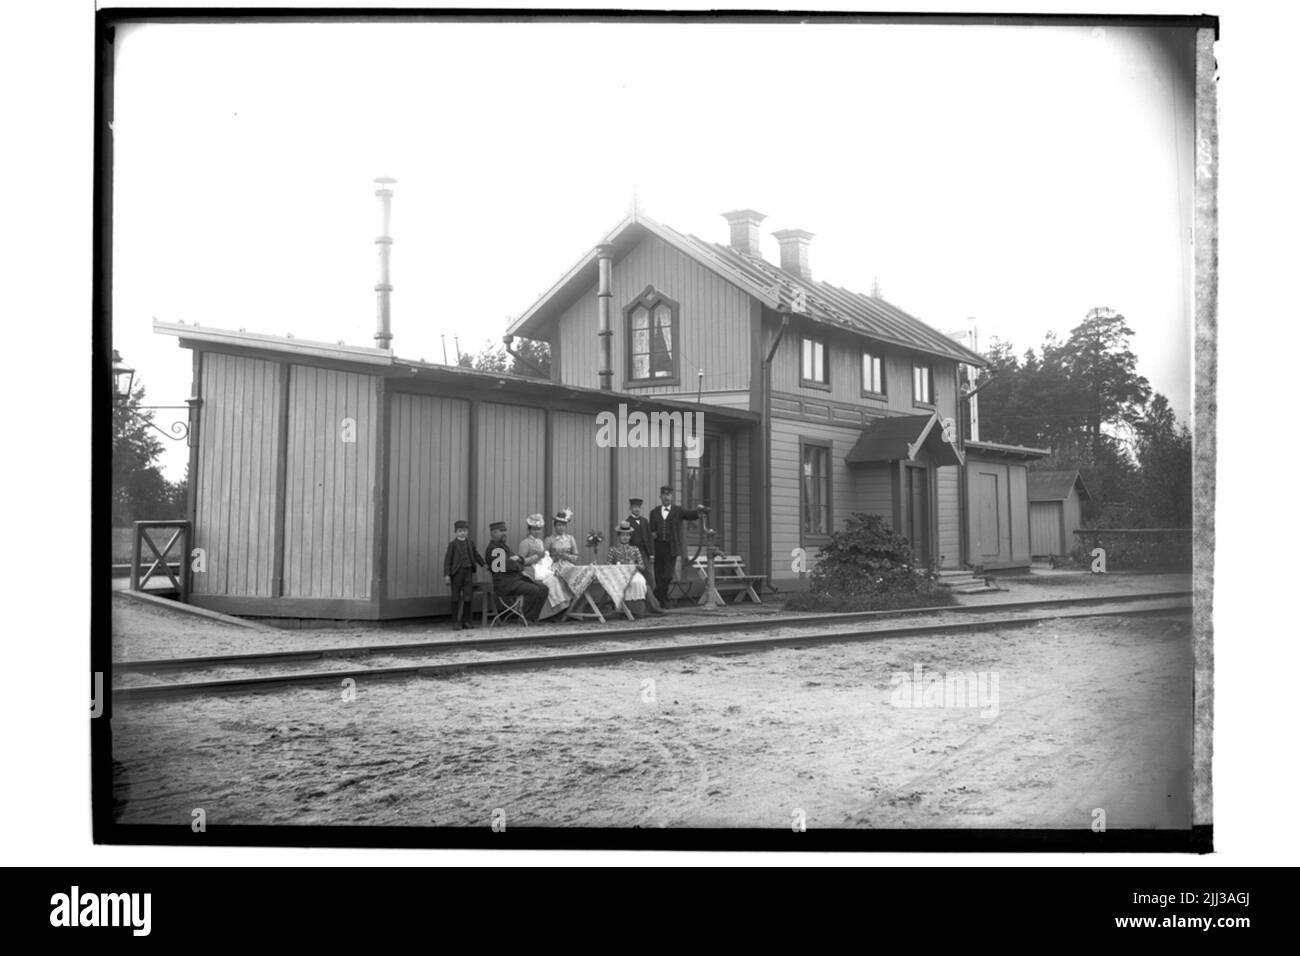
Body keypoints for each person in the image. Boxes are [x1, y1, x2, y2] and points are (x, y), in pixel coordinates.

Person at [648, 485, 707, 606]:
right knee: (659, 576)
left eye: (668, 495)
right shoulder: (653, 512)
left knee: (668, 576)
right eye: (664, 495)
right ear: (660, 497)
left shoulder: (678, 510)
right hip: (658, 547)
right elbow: (651, 530)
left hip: (671, 548)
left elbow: (690, 515)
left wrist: (698, 511)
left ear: (672, 496)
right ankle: (661, 602)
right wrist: (652, 533)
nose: (666, 497)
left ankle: (654, 597)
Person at [485, 520, 548, 622]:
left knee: (543, 589)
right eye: (501, 531)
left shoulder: (504, 547)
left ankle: (532, 618)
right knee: (534, 590)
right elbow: (505, 567)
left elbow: (518, 561)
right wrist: (516, 563)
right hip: (504, 583)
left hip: (514, 580)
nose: (504, 533)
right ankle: (526, 618)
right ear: (493, 533)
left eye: (505, 530)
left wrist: (516, 562)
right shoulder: (495, 549)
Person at [442, 519, 485, 629]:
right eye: (460, 531)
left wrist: (483, 564)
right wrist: (447, 575)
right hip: (457, 573)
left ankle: (467, 621)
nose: (463, 533)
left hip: (468, 572)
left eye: (465, 530)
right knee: (455, 597)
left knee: (468, 597)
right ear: (456, 532)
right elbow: (447, 561)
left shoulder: (470, 543)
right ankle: (456, 622)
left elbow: (476, 555)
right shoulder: (452, 545)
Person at [608, 520, 655, 618]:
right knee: (624, 583)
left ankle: (637, 610)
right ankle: (622, 610)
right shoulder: (613, 550)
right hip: (618, 575)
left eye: (627, 535)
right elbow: (608, 565)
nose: (625, 537)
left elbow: (642, 566)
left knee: (639, 582)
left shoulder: (635, 549)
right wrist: (617, 566)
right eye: (623, 535)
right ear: (619, 536)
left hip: (633, 573)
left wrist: (634, 564)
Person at [625, 497, 661, 611]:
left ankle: (650, 604)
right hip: (633, 555)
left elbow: (650, 539)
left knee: (650, 579)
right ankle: (640, 605)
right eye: (634, 507)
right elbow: (626, 539)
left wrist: (652, 554)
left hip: (644, 554)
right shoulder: (627, 522)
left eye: (638, 507)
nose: (637, 509)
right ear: (630, 508)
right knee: (638, 580)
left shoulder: (645, 521)